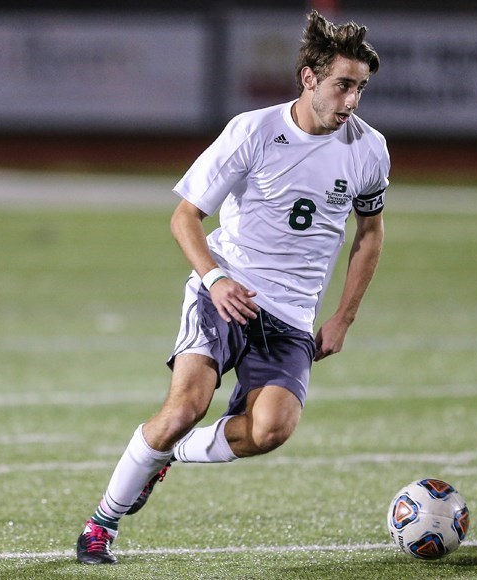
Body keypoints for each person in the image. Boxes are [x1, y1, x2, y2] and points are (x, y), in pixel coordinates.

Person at [76, 10, 389, 564]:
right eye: (343, 85)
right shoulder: (254, 131)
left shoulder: (369, 149)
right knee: (185, 407)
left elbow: (369, 234)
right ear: (309, 77)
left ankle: (167, 457)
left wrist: (342, 318)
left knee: (271, 430)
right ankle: (102, 524)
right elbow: (184, 217)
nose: (352, 102)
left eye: (361, 88)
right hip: (227, 292)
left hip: (291, 317)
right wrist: (215, 279)